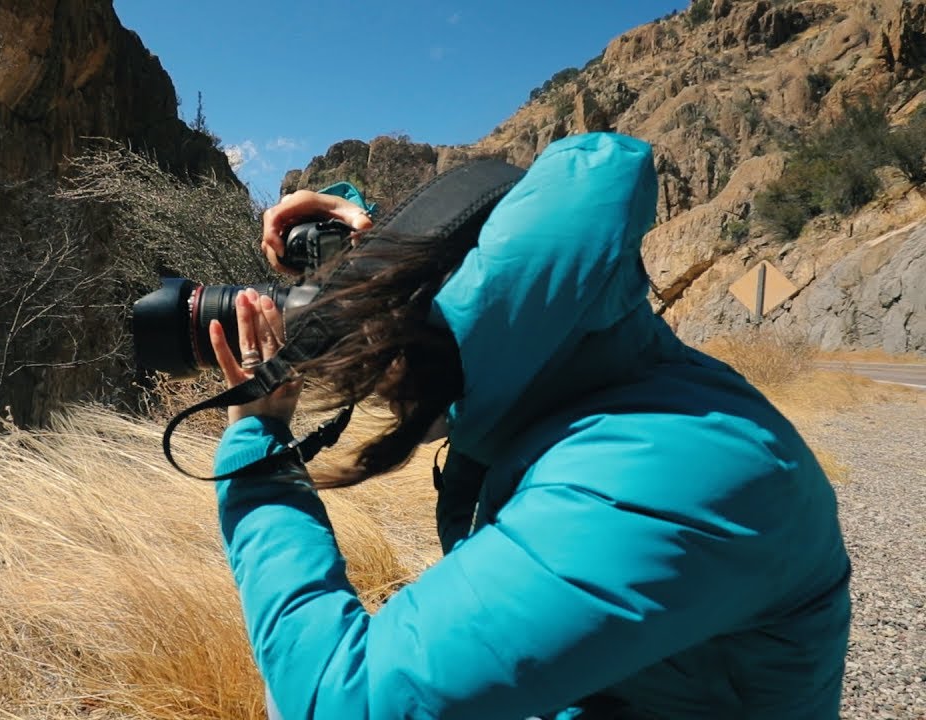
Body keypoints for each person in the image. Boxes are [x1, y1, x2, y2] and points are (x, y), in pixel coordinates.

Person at [204, 133, 851, 720]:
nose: (370, 359)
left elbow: (340, 702)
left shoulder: (668, 474)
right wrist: (357, 238)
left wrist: (259, 450)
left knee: (301, 683)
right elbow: (493, 273)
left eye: (385, 329)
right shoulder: (585, 368)